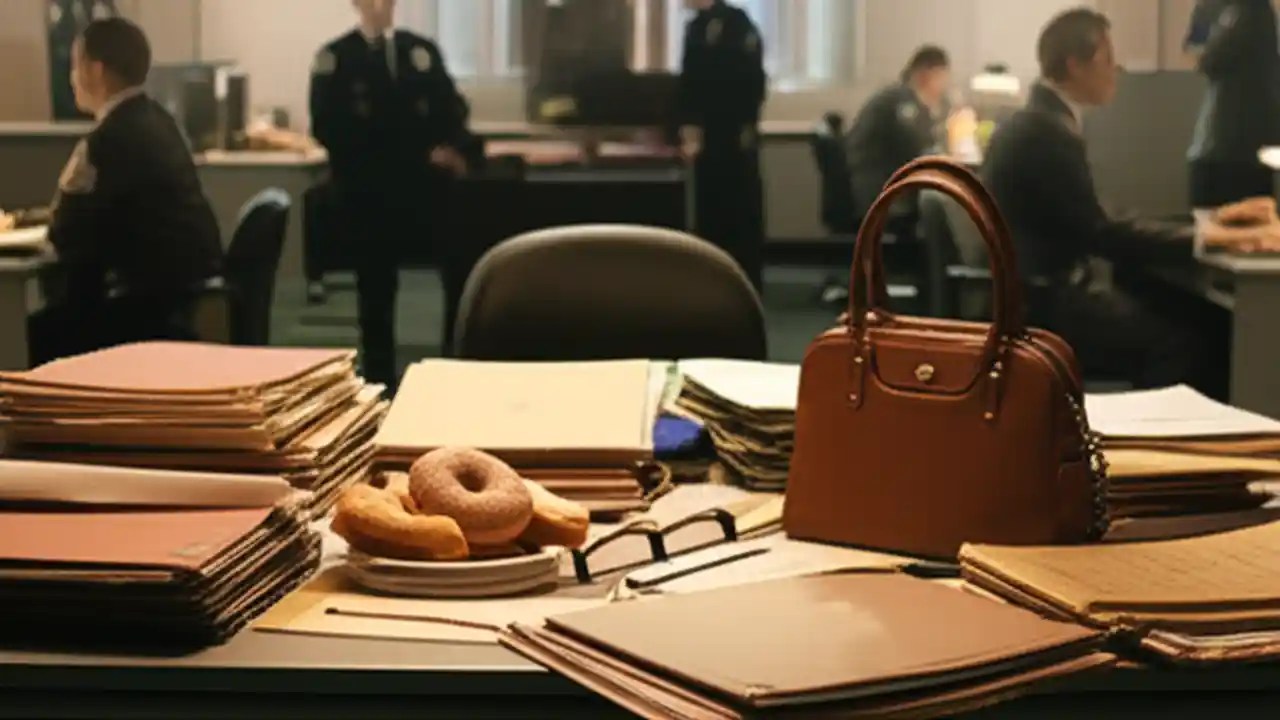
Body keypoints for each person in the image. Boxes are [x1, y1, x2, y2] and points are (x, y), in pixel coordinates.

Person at [981, 9, 1208, 390]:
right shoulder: (1047, 132)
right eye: (1106, 58)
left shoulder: (1037, 121)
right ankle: (1143, 442)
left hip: (1027, 294)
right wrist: (1200, 239)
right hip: (1045, 304)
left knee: (1163, 312)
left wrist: (1189, 231)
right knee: (1179, 342)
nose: (1115, 68)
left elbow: (1087, 214)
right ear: (1075, 65)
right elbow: (1099, 231)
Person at [29, 17, 223, 366]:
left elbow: (65, 232)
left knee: (26, 332)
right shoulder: (162, 122)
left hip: (136, 310)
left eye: (75, 66)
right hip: (173, 297)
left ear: (96, 71)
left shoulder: (105, 142)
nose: (72, 78)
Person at [310, 0, 472, 387]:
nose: (381, 5)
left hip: (423, 191)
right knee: (376, 287)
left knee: (449, 277)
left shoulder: (419, 51)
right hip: (368, 193)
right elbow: (329, 125)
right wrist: (409, 152)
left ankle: (448, 364)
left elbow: (450, 110)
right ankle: (380, 374)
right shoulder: (337, 57)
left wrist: (451, 148)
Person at [678, 0, 768, 293]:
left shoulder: (736, 25)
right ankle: (711, 282)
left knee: (739, 217)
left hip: (733, 139)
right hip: (710, 142)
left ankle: (744, 285)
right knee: (710, 216)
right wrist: (689, 126)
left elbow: (750, 83)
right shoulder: (696, 27)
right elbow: (689, 84)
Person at [1185, 0, 1280, 208]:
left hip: (1234, 149)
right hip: (1229, 146)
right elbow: (1194, 53)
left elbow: (1207, 60)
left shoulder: (1252, 11)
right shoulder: (1217, 8)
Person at [844, 45, 951, 223]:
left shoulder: (899, 97)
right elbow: (915, 149)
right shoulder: (902, 104)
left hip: (879, 183)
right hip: (880, 192)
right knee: (941, 208)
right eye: (941, 79)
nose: (942, 88)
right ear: (927, 74)